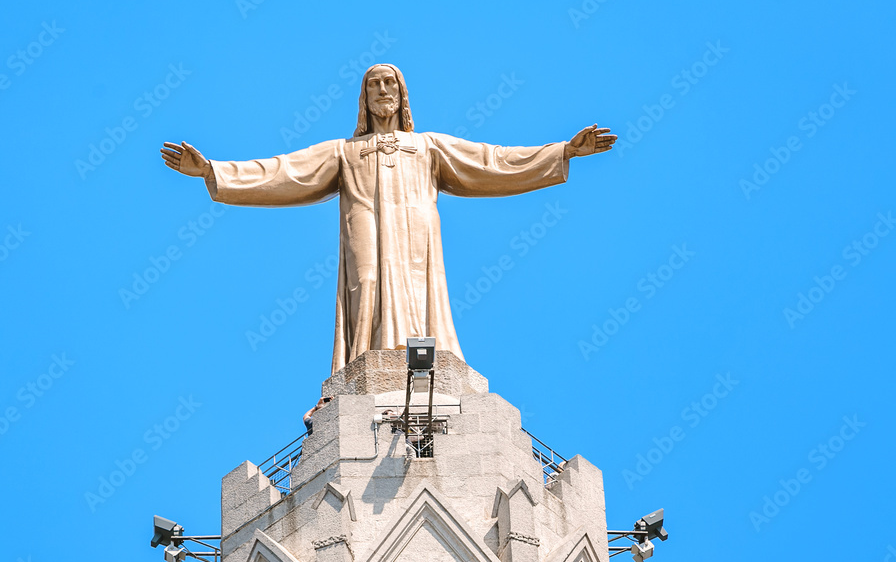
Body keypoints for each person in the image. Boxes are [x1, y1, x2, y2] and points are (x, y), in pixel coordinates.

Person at [161, 64, 616, 374]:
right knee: (368, 284)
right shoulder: (345, 151)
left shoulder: (428, 146)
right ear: (364, 97)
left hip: (416, 236)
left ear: (401, 95)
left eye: (390, 84)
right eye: (374, 84)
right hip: (365, 232)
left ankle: (426, 358)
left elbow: (491, 161)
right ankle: (363, 361)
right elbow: (285, 170)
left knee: (420, 291)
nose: (383, 90)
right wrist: (213, 171)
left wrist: (562, 151)